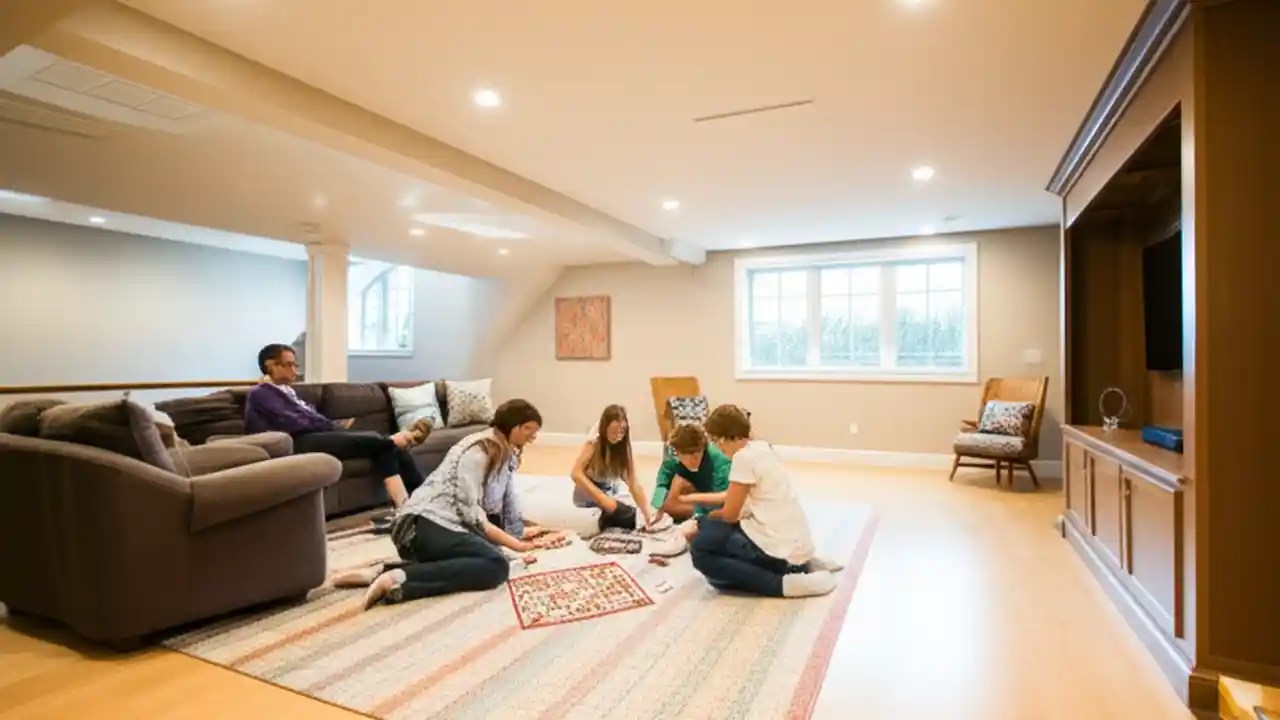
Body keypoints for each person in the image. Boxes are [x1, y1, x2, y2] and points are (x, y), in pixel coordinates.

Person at [348, 399, 564, 608]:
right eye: (528, 429)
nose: (533, 436)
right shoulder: (478, 452)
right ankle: (400, 578)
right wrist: (516, 545)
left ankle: (384, 571)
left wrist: (519, 533)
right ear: (513, 427)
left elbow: (504, 503)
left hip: (442, 526)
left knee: (494, 556)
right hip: (421, 526)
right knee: (496, 565)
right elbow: (472, 515)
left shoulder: (501, 451)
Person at [244, 344, 431, 508]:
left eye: (296, 364)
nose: (295, 370)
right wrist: (328, 425)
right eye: (289, 364)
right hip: (293, 442)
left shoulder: (287, 391)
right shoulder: (260, 393)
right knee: (381, 441)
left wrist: (330, 425)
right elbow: (295, 422)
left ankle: (413, 502)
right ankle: (402, 441)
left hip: (312, 435)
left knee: (382, 445)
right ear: (270, 366)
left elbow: (310, 417)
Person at [690, 404, 843, 598]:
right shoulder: (762, 448)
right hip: (795, 544)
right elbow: (737, 501)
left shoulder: (742, 459)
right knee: (715, 562)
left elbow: (729, 515)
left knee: (701, 551)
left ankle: (780, 584)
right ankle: (803, 564)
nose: (717, 447)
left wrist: (706, 517)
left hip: (779, 552)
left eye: (714, 440)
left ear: (721, 438)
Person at [570, 405, 654, 530]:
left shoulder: (624, 448)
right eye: (614, 431)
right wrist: (601, 498)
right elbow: (575, 473)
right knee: (624, 515)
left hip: (609, 493)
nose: (618, 435)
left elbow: (634, 484)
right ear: (604, 429)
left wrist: (648, 515)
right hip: (588, 493)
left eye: (622, 431)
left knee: (633, 516)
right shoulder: (594, 444)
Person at [651, 423, 731, 529]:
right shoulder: (673, 457)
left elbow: (723, 499)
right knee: (678, 480)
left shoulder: (720, 461)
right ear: (678, 453)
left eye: (697, 455)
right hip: (686, 500)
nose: (694, 460)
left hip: (709, 500)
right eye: (689, 455)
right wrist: (656, 506)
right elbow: (662, 483)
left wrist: (698, 512)